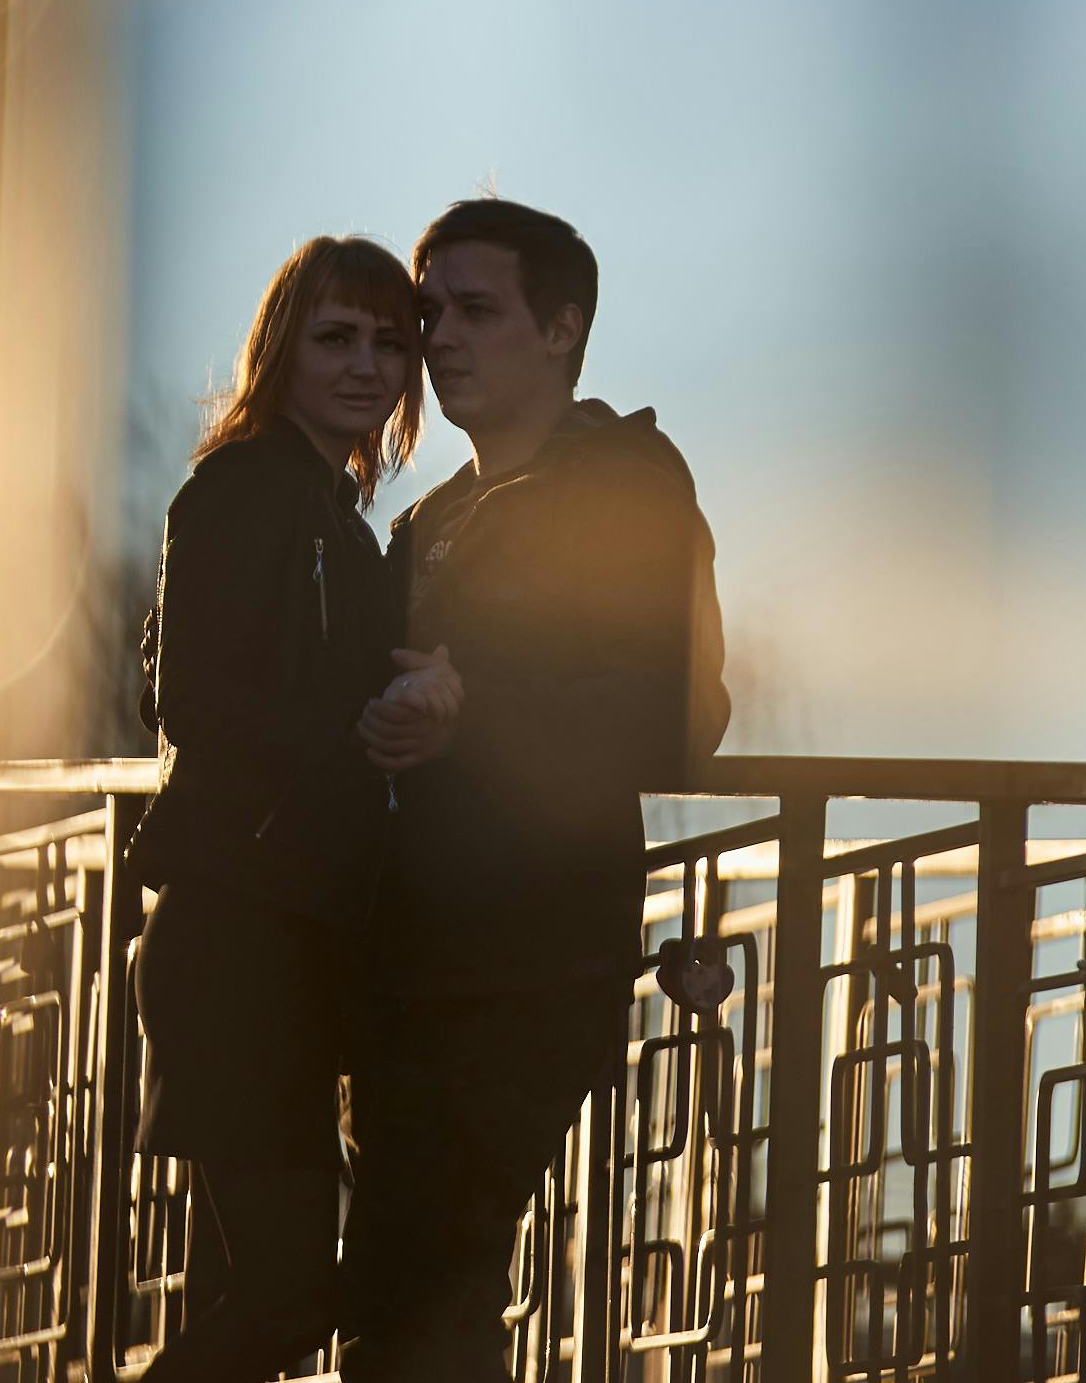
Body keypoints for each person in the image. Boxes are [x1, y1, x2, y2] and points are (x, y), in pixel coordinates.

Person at [338, 199, 731, 1382]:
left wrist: (471, 702)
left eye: (475, 309)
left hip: (529, 953)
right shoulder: (425, 522)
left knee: (428, 1287)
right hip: (407, 954)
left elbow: (676, 709)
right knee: (402, 1298)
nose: (439, 338)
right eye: (429, 311)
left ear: (561, 329)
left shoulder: (624, 479)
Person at [127, 235, 463, 1382]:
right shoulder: (242, 485)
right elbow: (188, 694)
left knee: (252, 1300)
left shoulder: (335, 515)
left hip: (291, 939)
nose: (367, 364)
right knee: (285, 1294)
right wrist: (366, 720)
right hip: (236, 936)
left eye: (390, 341)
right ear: (280, 351)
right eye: (335, 337)